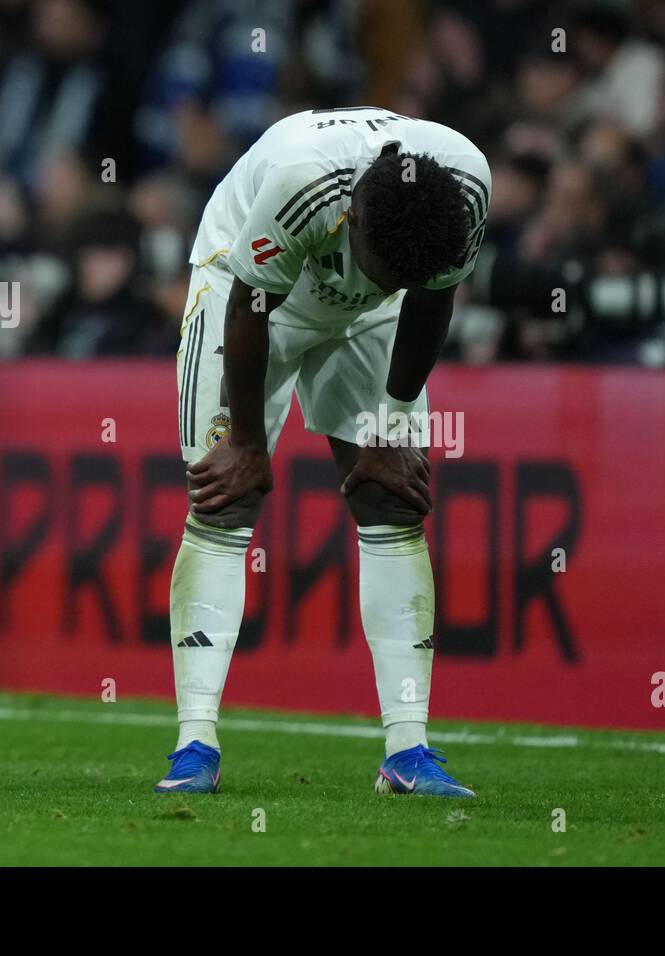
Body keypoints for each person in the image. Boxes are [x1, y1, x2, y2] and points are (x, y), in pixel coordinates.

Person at [157, 107, 489, 798]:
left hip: (358, 320)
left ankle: (408, 751)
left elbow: (431, 299)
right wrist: (246, 442)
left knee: (391, 498)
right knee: (225, 496)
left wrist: (394, 422)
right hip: (243, 287)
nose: (389, 283)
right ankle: (195, 743)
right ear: (356, 220)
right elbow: (251, 303)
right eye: (383, 270)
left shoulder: (463, 187)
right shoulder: (301, 180)